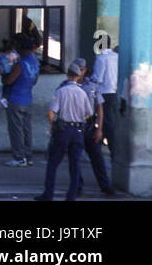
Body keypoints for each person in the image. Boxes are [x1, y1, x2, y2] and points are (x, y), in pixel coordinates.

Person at [35, 58, 92, 202]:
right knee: (75, 165)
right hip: (78, 131)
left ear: (67, 75)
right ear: (79, 76)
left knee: (53, 163)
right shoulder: (82, 93)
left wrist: (52, 125)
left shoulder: (61, 91)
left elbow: (51, 112)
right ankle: (71, 196)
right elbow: (89, 113)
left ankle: (48, 194)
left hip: (63, 130)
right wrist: (79, 118)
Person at [75, 60, 115, 196]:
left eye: (81, 69)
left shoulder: (92, 85)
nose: (79, 71)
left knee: (97, 157)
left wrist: (99, 129)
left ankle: (105, 186)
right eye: (76, 69)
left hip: (90, 126)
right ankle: (77, 186)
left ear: (85, 70)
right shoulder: (67, 85)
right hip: (74, 125)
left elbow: (100, 107)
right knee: (75, 158)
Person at [2, 33, 39, 166]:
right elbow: (34, 81)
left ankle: (19, 157)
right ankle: (28, 156)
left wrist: (5, 76)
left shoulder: (20, 64)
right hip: (27, 98)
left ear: (22, 48)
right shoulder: (35, 62)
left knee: (16, 130)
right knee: (27, 130)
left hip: (16, 98)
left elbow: (9, 80)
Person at [91, 45, 118, 160]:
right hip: (117, 93)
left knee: (106, 122)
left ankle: (111, 150)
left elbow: (98, 77)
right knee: (113, 121)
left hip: (104, 92)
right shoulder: (118, 58)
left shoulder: (102, 58)